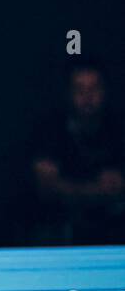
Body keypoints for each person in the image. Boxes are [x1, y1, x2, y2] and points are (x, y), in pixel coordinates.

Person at [30, 61, 125, 244]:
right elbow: (47, 188)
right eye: (79, 89)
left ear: (106, 91)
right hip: (62, 228)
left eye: (94, 88)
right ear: (67, 93)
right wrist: (98, 191)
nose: (87, 96)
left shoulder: (118, 128)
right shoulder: (50, 130)